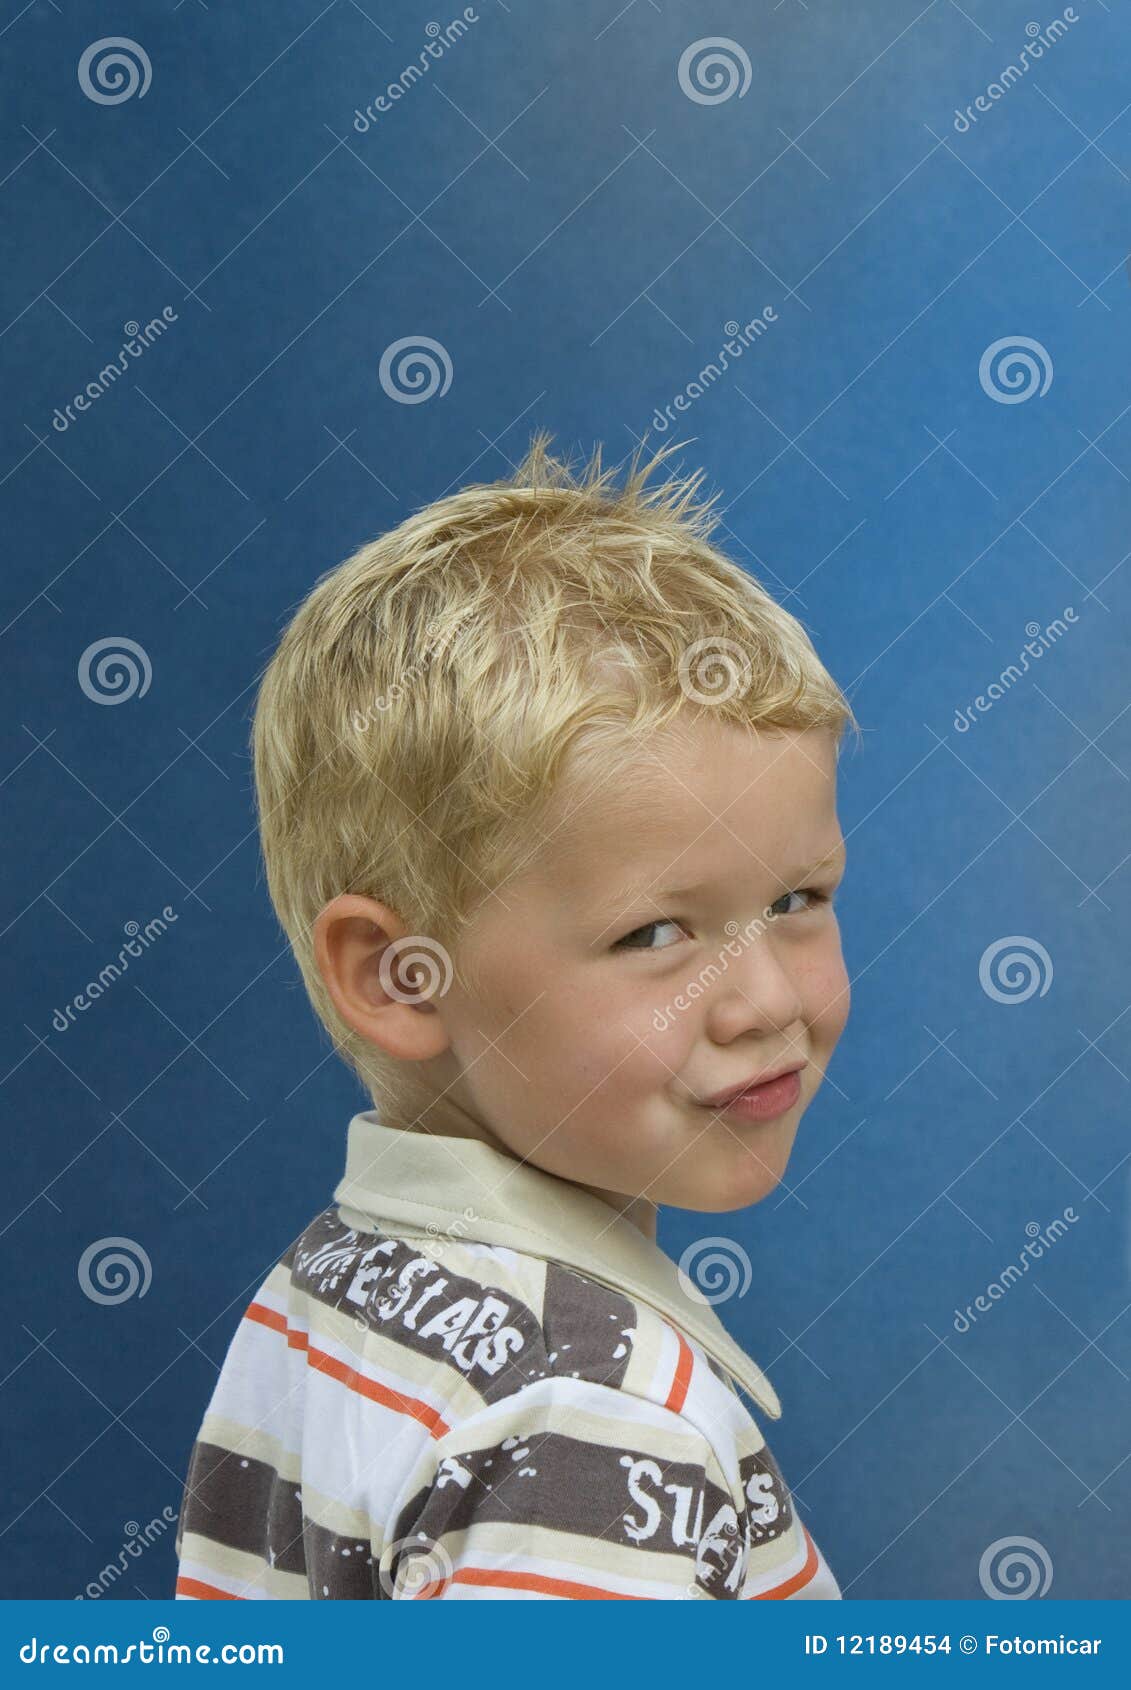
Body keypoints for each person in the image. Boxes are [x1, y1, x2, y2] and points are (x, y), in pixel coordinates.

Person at [174, 432, 859, 1600]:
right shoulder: (593, 1415)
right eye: (656, 934)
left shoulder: (331, 1286)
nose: (768, 1000)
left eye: (797, 899)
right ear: (398, 976)